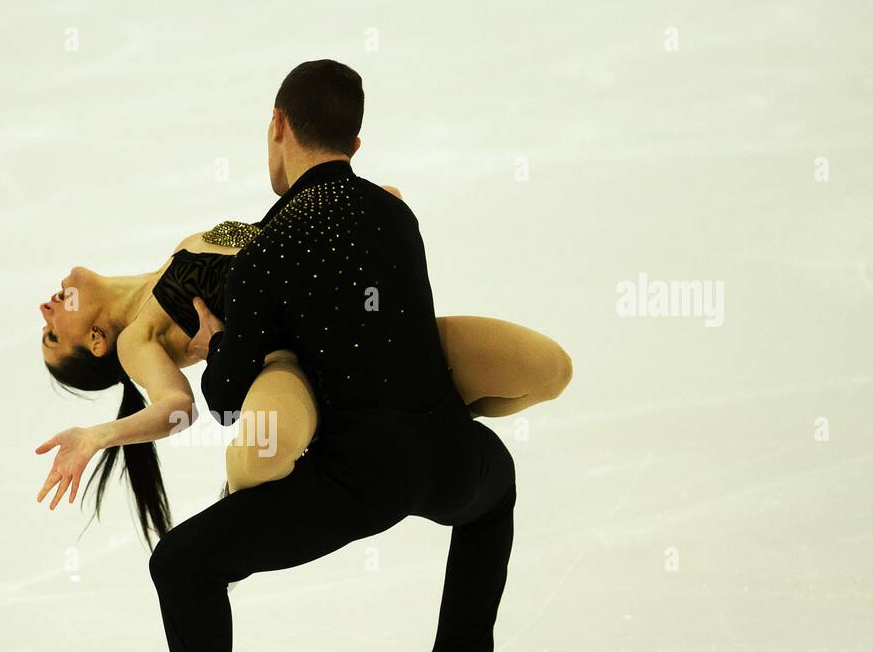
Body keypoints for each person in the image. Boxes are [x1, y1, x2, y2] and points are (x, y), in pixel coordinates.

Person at [146, 60, 532, 652]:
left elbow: (227, 402)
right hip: (443, 453)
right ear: (355, 140)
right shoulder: (398, 217)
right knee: (497, 486)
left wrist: (219, 342)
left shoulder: (265, 249)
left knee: (181, 563)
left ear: (278, 128)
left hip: (355, 482)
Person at [36, 226, 570, 544]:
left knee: (550, 371)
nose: (46, 309)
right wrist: (97, 436)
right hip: (297, 365)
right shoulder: (137, 339)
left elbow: (284, 234)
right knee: (262, 452)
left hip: (371, 333)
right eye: (53, 335)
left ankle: (417, 417)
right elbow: (178, 408)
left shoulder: (180, 249)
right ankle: (363, 443)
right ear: (98, 340)